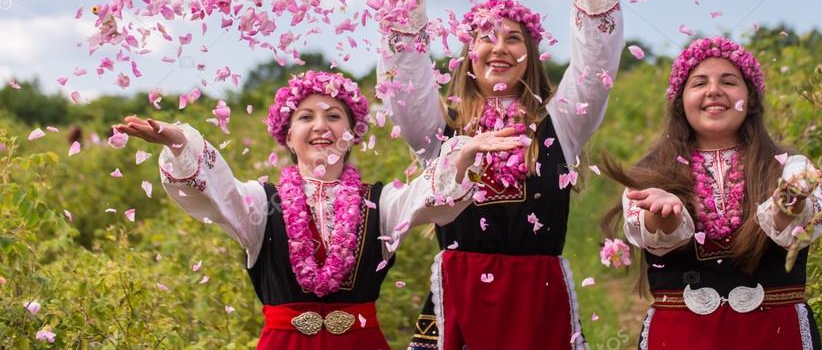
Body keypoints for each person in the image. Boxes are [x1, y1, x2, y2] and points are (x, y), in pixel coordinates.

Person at [371, 0, 625, 350]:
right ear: (469, 55)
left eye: (513, 38)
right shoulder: (437, 130)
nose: (500, 47)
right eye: (487, 37)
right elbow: (404, 73)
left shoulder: (560, 124)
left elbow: (595, 61)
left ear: (529, 55)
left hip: (538, 299)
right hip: (460, 298)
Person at [114, 70, 526, 349]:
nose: (321, 126)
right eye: (305, 117)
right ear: (287, 135)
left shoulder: (381, 203)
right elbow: (218, 188)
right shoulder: (259, 204)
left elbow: (428, 195)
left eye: (334, 116)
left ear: (351, 134)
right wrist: (178, 141)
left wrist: (465, 152)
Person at [603, 36, 822, 350]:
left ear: (750, 98)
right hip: (683, 337)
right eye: (699, 83)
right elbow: (653, 233)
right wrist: (664, 217)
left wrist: (788, 203)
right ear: (680, 100)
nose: (714, 90)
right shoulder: (650, 175)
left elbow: (804, 220)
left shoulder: (790, 167)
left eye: (728, 81)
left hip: (774, 335)